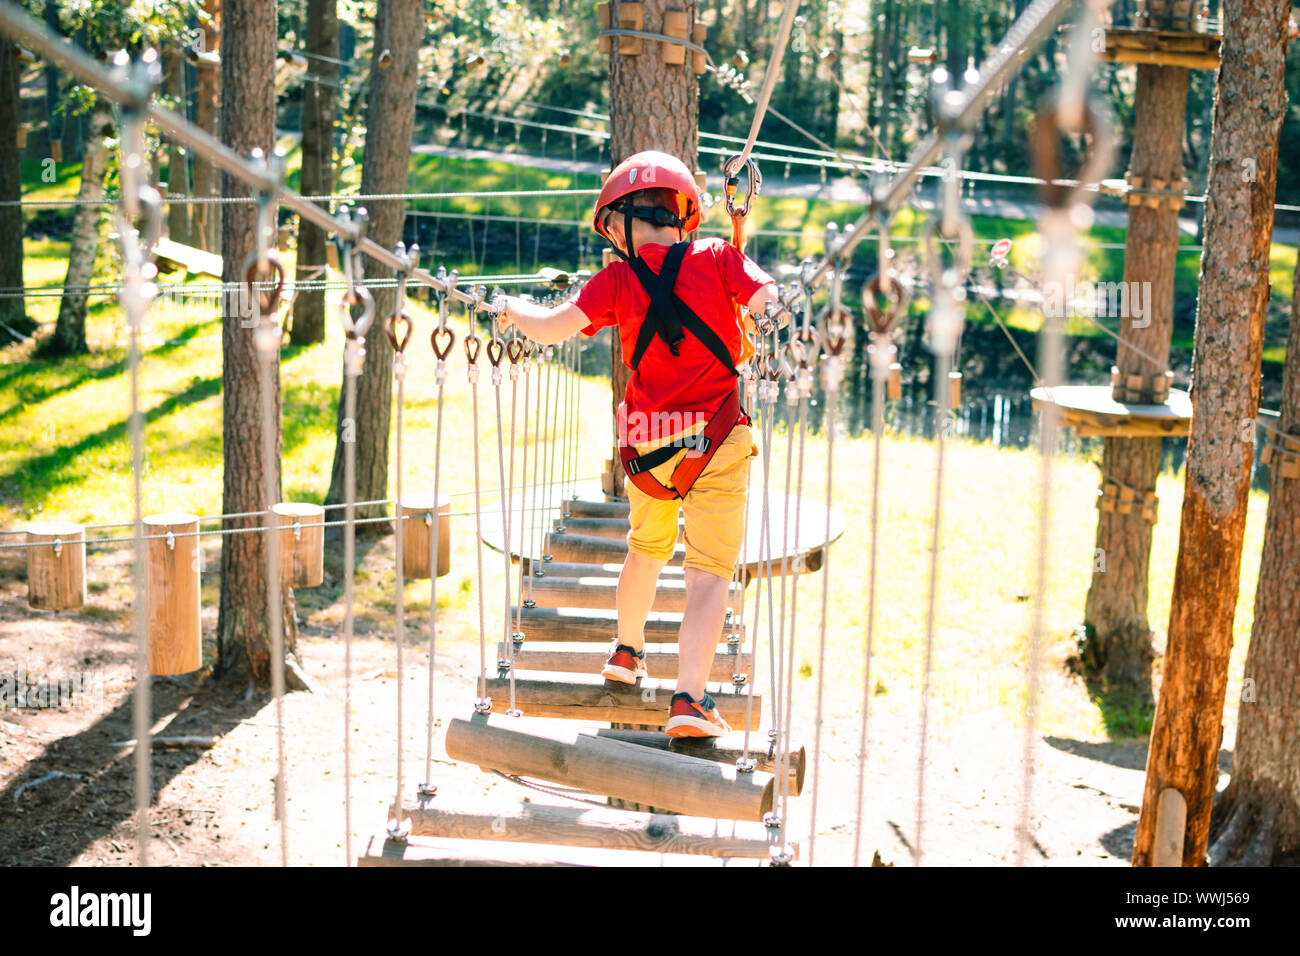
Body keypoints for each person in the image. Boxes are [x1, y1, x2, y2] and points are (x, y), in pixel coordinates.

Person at [494, 150, 783, 737]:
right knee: (707, 574)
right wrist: (764, 306)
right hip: (719, 438)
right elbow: (768, 303)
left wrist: (506, 307)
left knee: (645, 550)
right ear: (681, 213)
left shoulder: (617, 279)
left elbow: (550, 328)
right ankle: (690, 701)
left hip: (648, 450)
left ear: (622, 224)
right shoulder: (719, 256)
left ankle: (626, 652)